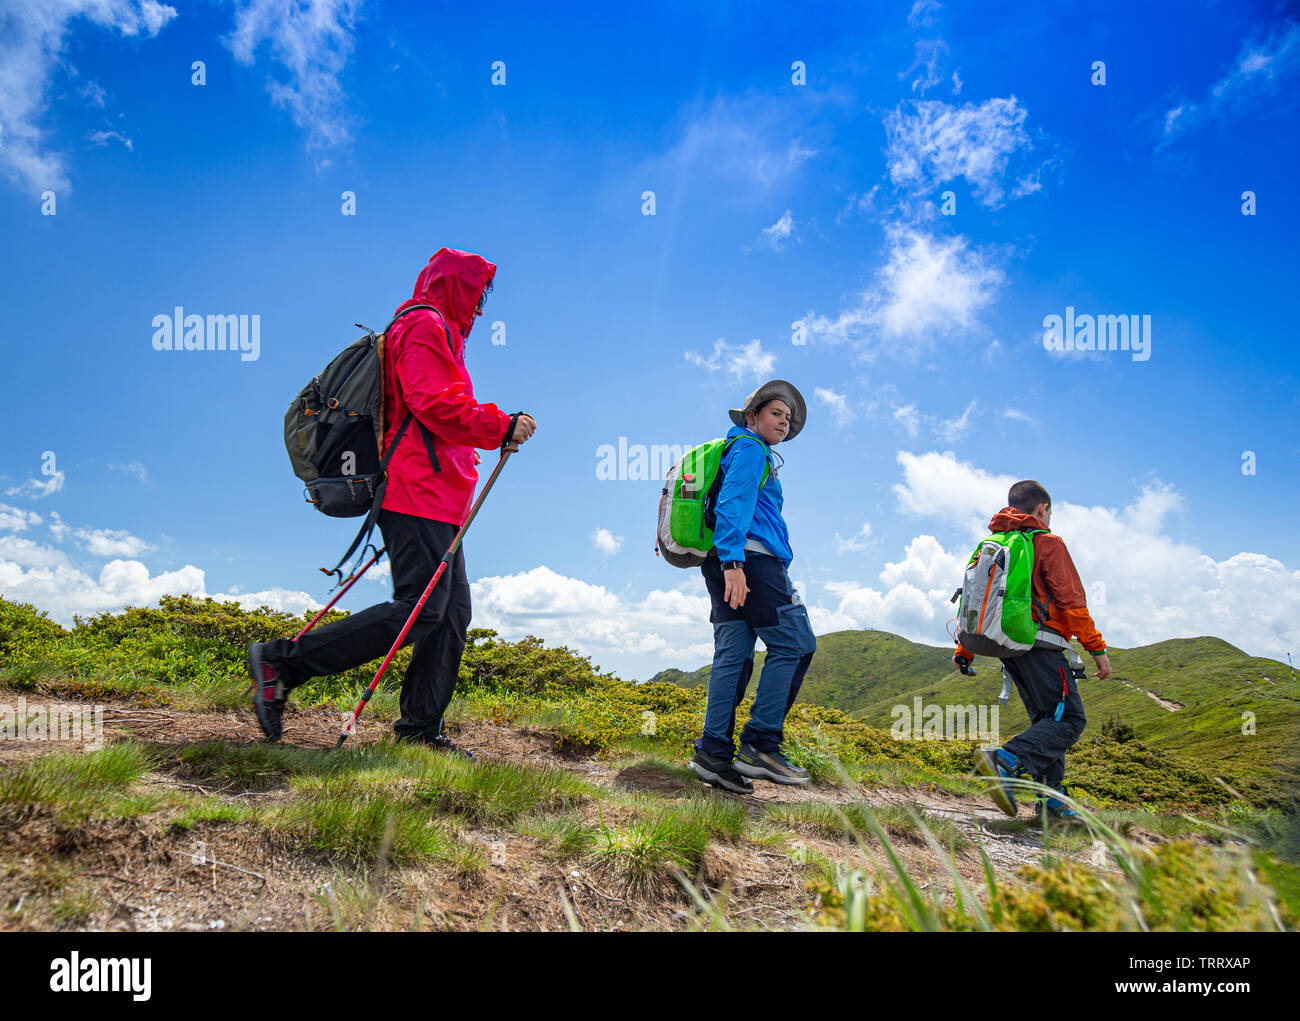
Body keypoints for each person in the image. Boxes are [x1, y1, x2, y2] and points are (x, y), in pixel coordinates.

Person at [247, 248, 536, 753]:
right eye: (479, 294)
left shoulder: (431, 327)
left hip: (438, 496)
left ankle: (419, 731)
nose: (482, 308)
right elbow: (434, 403)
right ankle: (281, 663)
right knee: (421, 611)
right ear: (457, 288)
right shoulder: (424, 326)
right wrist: (500, 425)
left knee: (449, 614)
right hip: (416, 490)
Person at [687, 380, 817, 794]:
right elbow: (733, 503)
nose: (784, 420)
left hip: (725, 561)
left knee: (734, 654)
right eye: (776, 412)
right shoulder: (749, 449)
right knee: (796, 643)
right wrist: (735, 563)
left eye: (788, 417)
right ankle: (761, 745)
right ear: (752, 417)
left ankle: (713, 753)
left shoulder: (738, 449)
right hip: (750, 562)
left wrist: (726, 561)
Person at [957, 480, 1112, 819]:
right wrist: (1096, 649)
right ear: (1042, 509)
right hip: (1043, 646)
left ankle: (1052, 802)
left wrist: (965, 649)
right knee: (1069, 719)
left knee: (1048, 719)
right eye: (1050, 512)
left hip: (1008, 648)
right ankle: (1004, 761)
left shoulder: (992, 542)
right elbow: (1072, 602)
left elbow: (973, 600)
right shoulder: (1048, 544)